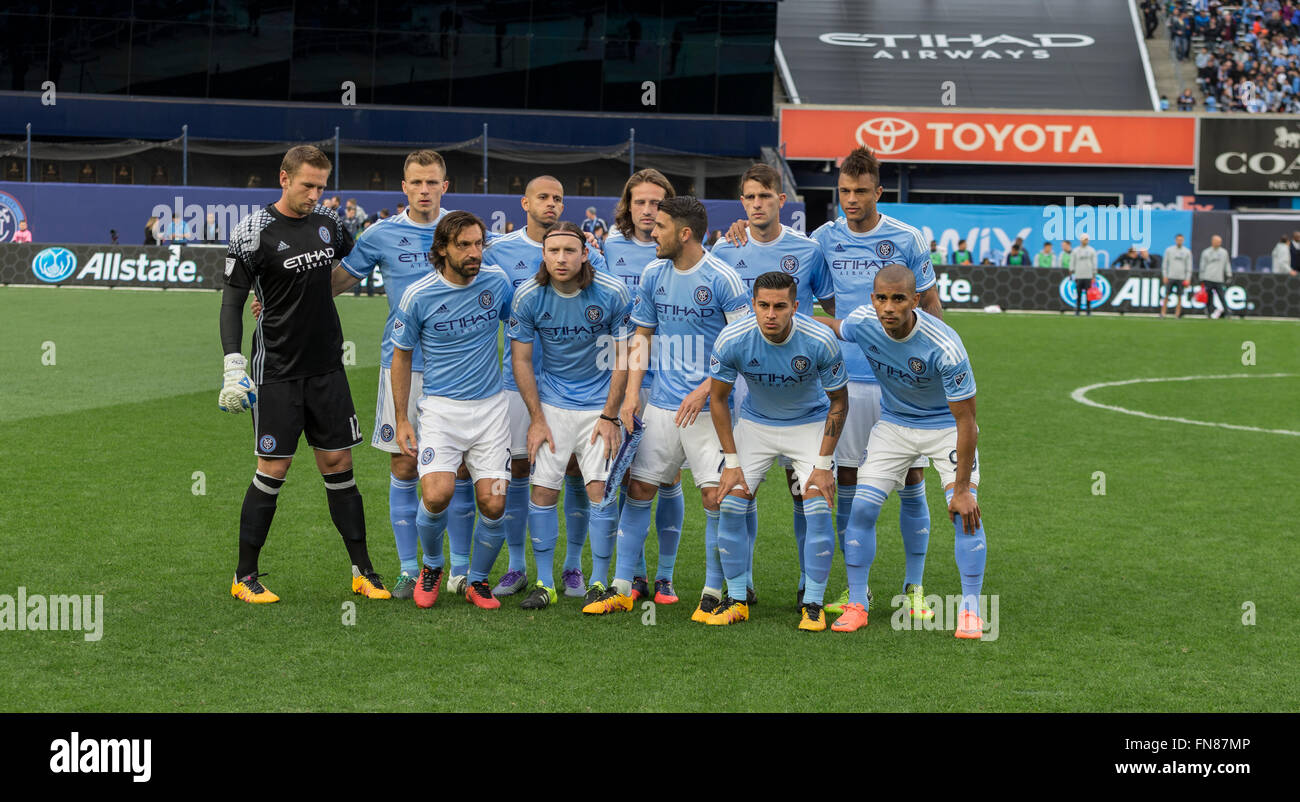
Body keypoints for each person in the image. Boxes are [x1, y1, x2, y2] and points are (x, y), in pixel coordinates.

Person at [218, 145, 390, 604]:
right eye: (306, 184)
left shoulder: (331, 224)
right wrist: (233, 363)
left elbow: (355, 266)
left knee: (339, 465)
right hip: (275, 368)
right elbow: (233, 300)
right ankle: (244, 576)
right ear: (284, 178)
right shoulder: (252, 231)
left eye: (321, 186)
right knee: (273, 468)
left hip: (327, 367)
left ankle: (364, 571)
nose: (314, 194)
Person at [582, 196, 750, 619]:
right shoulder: (654, 273)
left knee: (714, 497)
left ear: (685, 233)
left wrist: (707, 390)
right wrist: (632, 393)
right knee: (639, 489)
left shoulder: (723, 279)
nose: (651, 233)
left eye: (659, 227)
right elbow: (642, 337)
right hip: (660, 405)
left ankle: (714, 590)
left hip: (710, 410)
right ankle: (621, 586)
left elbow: (746, 348)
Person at [816, 265, 988, 639]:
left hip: (945, 427)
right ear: (872, 299)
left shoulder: (944, 345)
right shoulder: (864, 322)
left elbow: (967, 422)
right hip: (894, 425)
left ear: (915, 301)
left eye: (898, 299)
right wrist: (791, 321)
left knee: (965, 513)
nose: (888, 307)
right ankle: (857, 602)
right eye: (881, 298)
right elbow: (833, 325)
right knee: (862, 507)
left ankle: (971, 610)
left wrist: (961, 489)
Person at [806, 147, 940, 615]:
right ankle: (853, 588)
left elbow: (930, 306)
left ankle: (915, 588)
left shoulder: (907, 237)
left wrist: (935, 371)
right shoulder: (823, 238)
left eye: (861, 191)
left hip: (901, 381)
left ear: (878, 192)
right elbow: (824, 302)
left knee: (912, 477)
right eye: (844, 191)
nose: (851, 199)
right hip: (850, 379)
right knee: (846, 477)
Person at [330, 149, 464, 603]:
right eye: (416, 183)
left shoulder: (465, 231)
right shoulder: (381, 234)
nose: (424, 190)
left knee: (459, 469)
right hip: (403, 367)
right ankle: (411, 569)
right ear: (403, 187)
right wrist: (278, 298)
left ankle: (460, 571)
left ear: (445, 186)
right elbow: (336, 283)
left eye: (432, 182)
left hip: (462, 371)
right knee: (405, 463)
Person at [709, 163, 835, 605]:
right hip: (741, 378)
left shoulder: (807, 250)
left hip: (796, 382)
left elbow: (826, 313)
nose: (757, 204)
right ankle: (740, 588)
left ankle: (808, 582)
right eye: (749, 198)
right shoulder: (725, 250)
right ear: (741, 203)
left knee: (802, 491)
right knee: (739, 484)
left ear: (782, 201)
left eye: (765, 196)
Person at [481, 176, 607, 600]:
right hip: (516, 385)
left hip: (574, 390)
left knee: (574, 470)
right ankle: (518, 565)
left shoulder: (589, 256)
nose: (551, 203)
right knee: (519, 470)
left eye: (558, 197)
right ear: (525, 203)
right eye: (543, 197)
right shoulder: (499, 252)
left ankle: (572, 567)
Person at [707, 271, 848, 630]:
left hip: (809, 424)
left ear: (795, 307)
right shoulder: (733, 338)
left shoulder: (820, 340)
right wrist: (732, 463)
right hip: (756, 425)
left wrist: (823, 463)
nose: (771, 314)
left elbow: (839, 403)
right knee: (731, 501)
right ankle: (737, 598)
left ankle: (812, 602)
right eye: (763, 305)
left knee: (817, 503)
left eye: (780, 306)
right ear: (753, 305)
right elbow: (719, 399)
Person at [391, 211, 516, 609]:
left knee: (494, 501)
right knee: (437, 494)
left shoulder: (497, 283)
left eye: (479, 243)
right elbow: (401, 356)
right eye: (464, 245)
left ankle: (477, 580)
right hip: (441, 413)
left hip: (492, 412)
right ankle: (431, 565)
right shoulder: (419, 296)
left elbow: (523, 325)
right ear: (442, 249)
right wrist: (401, 418)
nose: (474, 252)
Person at [507, 222, 632, 609]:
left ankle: (598, 581)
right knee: (542, 490)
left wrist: (610, 417)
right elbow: (522, 360)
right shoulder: (528, 296)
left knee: (600, 491)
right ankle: (545, 583)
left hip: (599, 408)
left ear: (584, 254)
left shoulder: (612, 292)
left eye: (569, 251)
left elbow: (625, 356)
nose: (561, 259)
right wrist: (538, 418)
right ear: (543, 255)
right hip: (553, 404)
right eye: (553, 251)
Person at [601, 168, 685, 605]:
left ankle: (665, 577)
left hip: (671, 379)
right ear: (627, 205)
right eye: (640, 202)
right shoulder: (606, 249)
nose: (649, 211)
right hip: (619, 379)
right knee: (623, 476)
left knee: (667, 479)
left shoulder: (680, 247)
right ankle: (631, 573)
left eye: (657, 203)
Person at [1198, 234, 1232, 319]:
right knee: (1209, 297)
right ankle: (1208, 313)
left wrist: (1229, 274)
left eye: (1220, 242)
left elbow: (1226, 264)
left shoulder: (1224, 252)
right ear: (1213, 241)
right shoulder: (1206, 252)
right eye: (1217, 241)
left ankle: (1227, 312)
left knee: (1222, 296)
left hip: (1218, 278)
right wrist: (1201, 278)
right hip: (1208, 278)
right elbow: (1202, 265)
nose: (1219, 243)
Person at [1162, 234, 1194, 318]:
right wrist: (1165, 275)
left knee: (1180, 296)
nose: (1179, 241)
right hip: (1171, 276)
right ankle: (1163, 313)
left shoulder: (1187, 251)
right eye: (1178, 240)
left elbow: (1189, 266)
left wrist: (1187, 278)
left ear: (1183, 241)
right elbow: (1165, 264)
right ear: (1175, 240)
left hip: (1181, 277)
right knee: (1166, 295)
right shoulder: (1169, 250)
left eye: (1181, 240)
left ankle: (1177, 314)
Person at [1071, 235, 1098, 316]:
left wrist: (1094, 275)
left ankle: (1088, 310)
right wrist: (1072, 273)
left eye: (1086, 239)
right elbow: (1072, 262)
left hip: (1088, 275)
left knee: (1088, 295)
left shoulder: (1092, 250)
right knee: (1078, 294)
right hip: (1078, 275)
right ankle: (1077, 310)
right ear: (1080, 240)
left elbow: (1094, 263)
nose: (1085, 241)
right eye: (1083, 239)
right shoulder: (1075, 251)